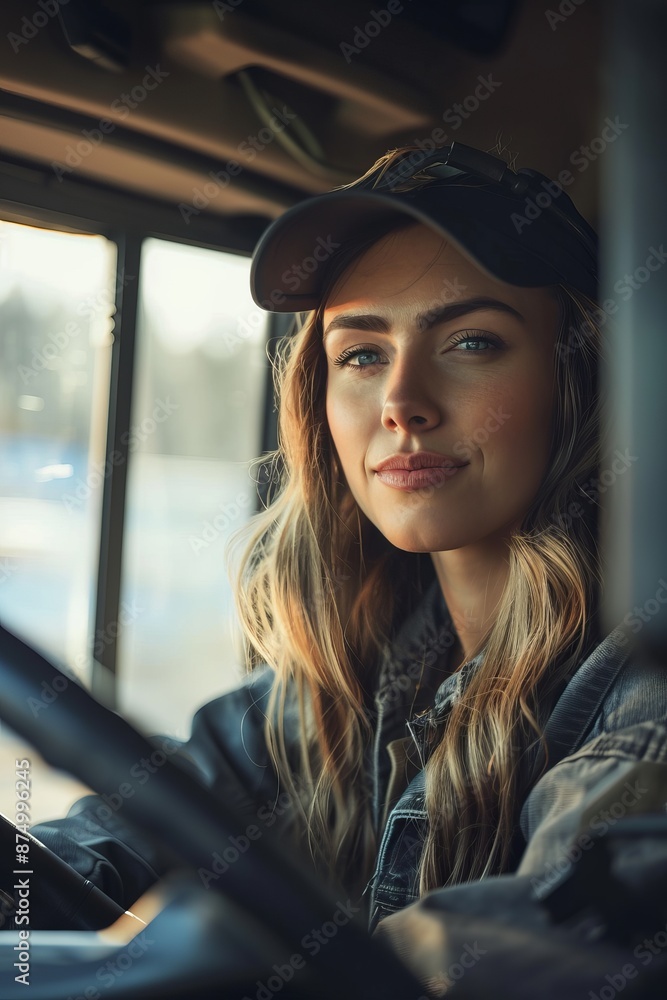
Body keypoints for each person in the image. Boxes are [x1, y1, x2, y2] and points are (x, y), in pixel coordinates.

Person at [32, 141, 667, 989]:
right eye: (362, 354)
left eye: (472, 341)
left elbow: (540, 953)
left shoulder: (638, 694)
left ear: (579, 380)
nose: (401, 402)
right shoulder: (367, 662)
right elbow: (136, 818)